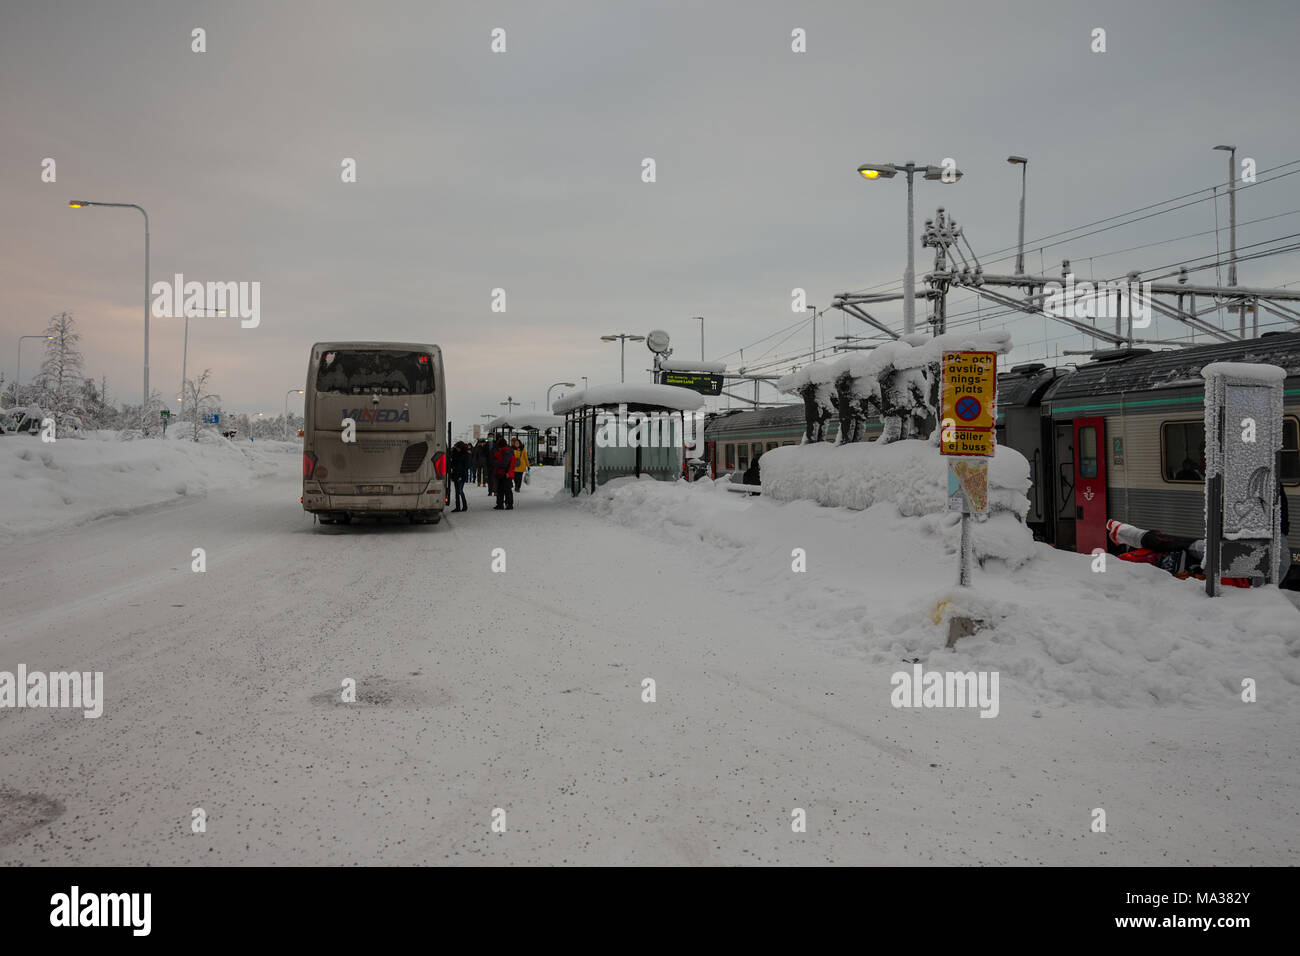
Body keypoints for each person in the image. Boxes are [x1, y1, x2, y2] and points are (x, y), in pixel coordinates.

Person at [492, 437, 515, 510]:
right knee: (501, 489)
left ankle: (508, 504)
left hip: (506, 473)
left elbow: (503, 463)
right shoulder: (506, 451)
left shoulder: (506, 452)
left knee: (506, 489)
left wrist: (495, 463)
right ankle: (501, 504)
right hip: (504, 473)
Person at [449, 441, 470, 513]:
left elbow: (466, 466)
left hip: (462, 475)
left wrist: (461, 473)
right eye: (456, 447)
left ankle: (464, 506)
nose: (457, 449)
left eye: (458, 447)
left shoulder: (465, 455)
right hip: (455, 474)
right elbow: (451, 464)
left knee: (460, 490)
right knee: (457, 491)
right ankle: (457, 507)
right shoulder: (454, 454)